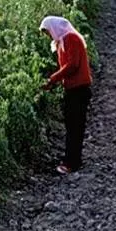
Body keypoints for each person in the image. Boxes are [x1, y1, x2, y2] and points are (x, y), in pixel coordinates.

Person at [40, 16, 92, 175]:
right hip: (73, 89)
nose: (49, 36)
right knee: (72, 126)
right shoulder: (63, 41)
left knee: (75, 126)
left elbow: (72, 65)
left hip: (79, 89)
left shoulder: (70, 39)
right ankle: (72, 159)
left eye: (48, 32)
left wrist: (53, 79)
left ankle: (72, 162)